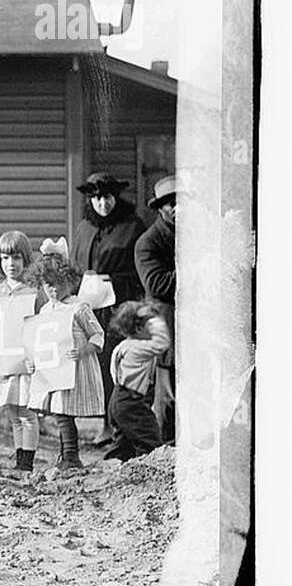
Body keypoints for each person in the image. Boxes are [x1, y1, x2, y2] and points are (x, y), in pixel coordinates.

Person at [71, 171, 147, 446]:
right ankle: (104, 423)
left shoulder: (132, 225)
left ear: (116, 197)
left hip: (120, 304)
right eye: (97, 198)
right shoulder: (84, 228)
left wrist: (113, 282)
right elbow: (77, 266)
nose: (102, 204)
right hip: (92, 307)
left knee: (118, 363)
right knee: (98, 364)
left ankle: (120, 427)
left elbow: (139, 269)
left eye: (107, 197)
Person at [23, 250, 105, 472]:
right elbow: (40, 342)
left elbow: (98, 335)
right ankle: (66, 454)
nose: (54, 289)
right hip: (53, 370)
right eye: (48, 284)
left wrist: (83, 350)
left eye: (59, 283)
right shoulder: (45, 309)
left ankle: (71, 455)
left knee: (64, 412)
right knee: (60, 412)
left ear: (70, 281)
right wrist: (33, 362)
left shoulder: (78, 307)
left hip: (73, 369)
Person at [0, 231, 41, 474]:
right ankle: (19, 458)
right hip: (5, 363)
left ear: (26, 259)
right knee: (13, 414)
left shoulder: (33, 292)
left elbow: (40, 328)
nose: (11, 264)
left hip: (27, 363)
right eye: (5, 258)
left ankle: (27, 463)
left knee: (28, 414)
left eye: (17, 258)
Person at [135, 175, 177, 442]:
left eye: (182, 201)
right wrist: (194, 265)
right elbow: (158, 285)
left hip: (199, 322)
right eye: (170, 203)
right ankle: (166, 444)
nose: (177, 208)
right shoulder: (148, 242)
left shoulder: (201, 233)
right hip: (166, 323)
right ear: (160, 208)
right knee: (166, 388)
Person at [102, 301, 171, 461]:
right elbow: (162, 343)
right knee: (149, 440)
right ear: (139, 329)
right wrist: (156, 318)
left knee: (123, 444)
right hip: (132, 402)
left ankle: (111, 471)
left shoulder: (123, 346)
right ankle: (148, 473)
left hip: (119, 398)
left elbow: (114, 373)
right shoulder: (138, 348)